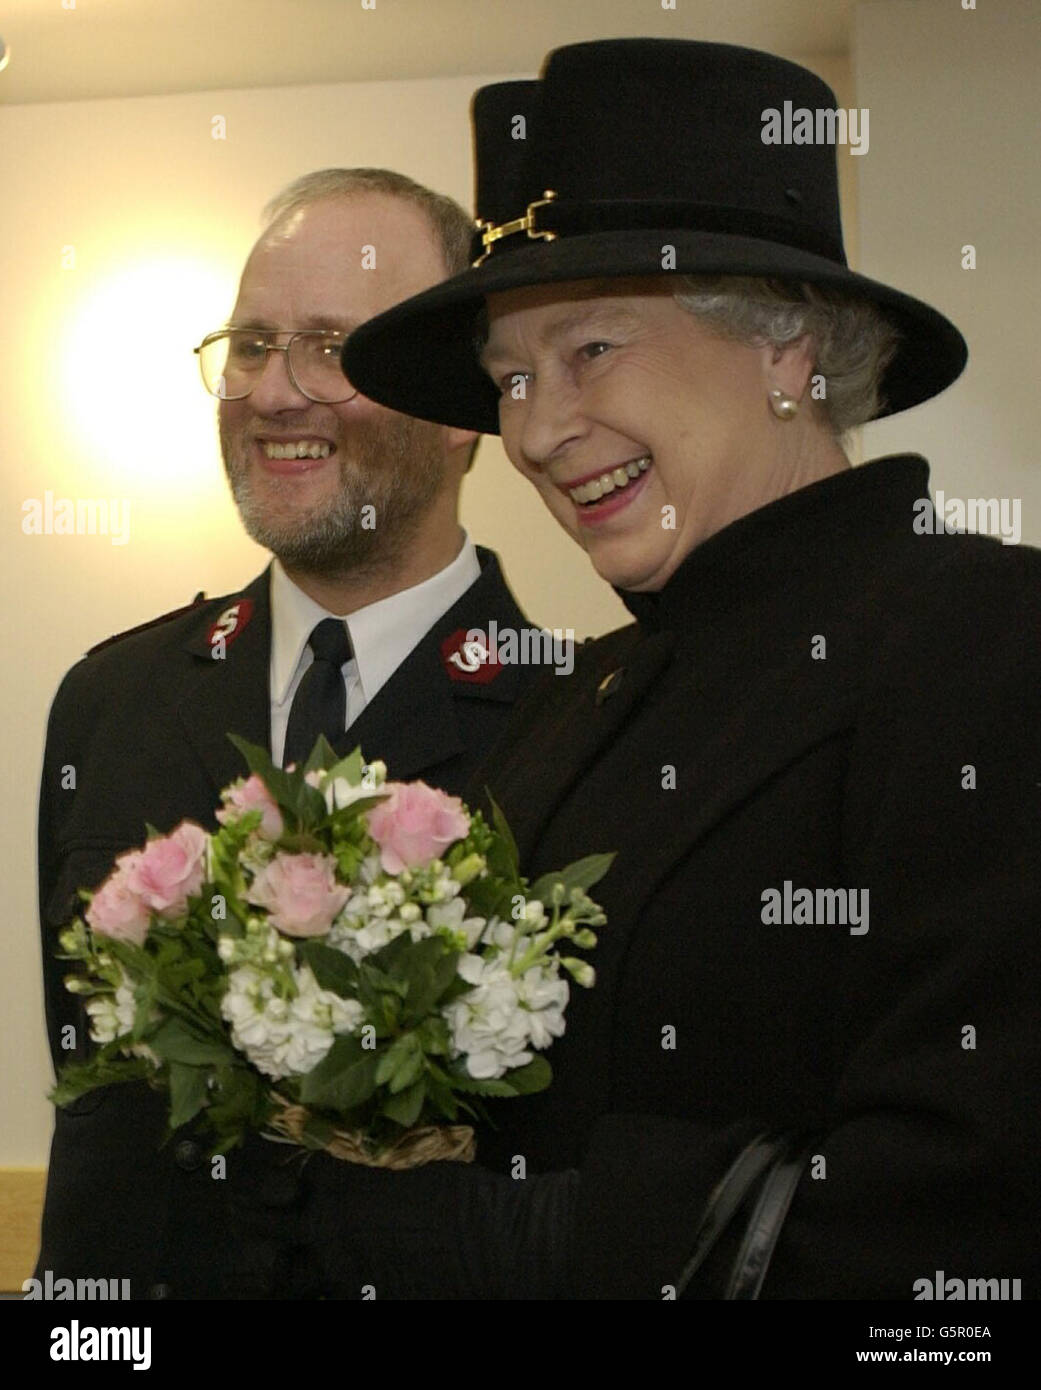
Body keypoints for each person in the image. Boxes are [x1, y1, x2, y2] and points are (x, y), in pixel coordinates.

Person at [333, 39, 1041, 1299]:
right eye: (509, 377)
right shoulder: (571, 704)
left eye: (593, 348)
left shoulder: (988, 640)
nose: (539, 431)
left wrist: (539, 1244)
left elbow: (969, 1199)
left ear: (785, 351)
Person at [34, 168, 547, 1300]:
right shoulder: (110, 698)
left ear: (466, 412)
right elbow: (96, 1131)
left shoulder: (572, 715)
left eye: (332, 346)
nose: (274, 392)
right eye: (253, 343)